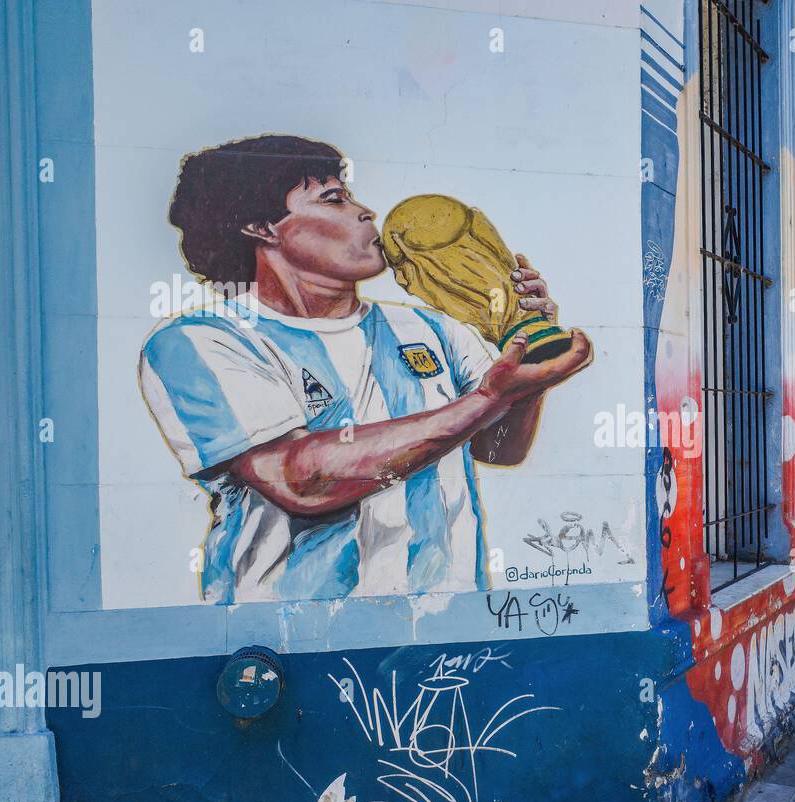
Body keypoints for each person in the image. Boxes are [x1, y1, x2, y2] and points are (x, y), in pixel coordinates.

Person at [140, 134, 591, 603]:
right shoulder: (203, 340)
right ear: (261, 226)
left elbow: (500, 450)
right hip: (289, 636)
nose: (366, 212)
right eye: (334, 199)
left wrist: (528, 354)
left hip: (444, 627)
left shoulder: (431, 327)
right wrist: (488, 399)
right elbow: (300, 479)